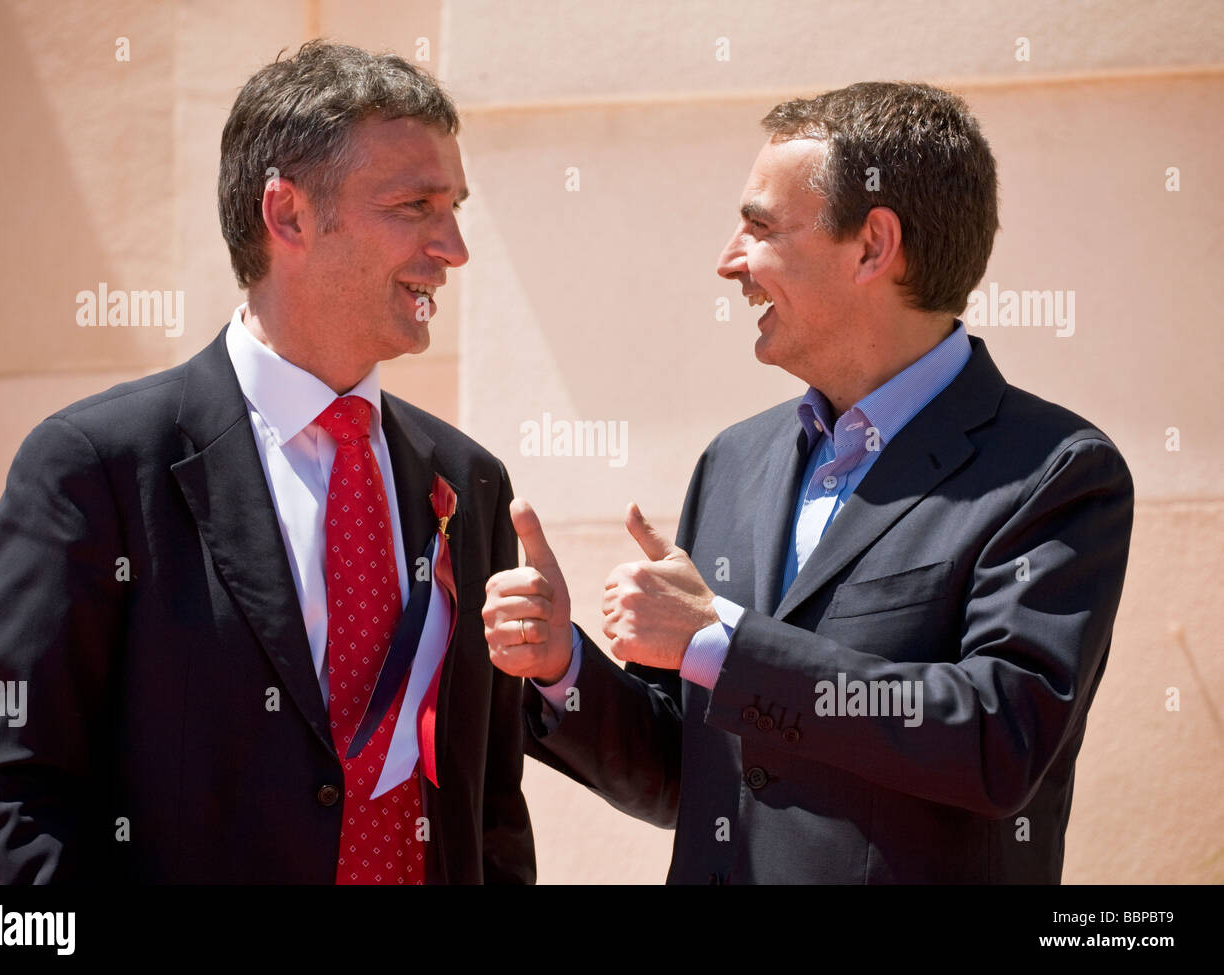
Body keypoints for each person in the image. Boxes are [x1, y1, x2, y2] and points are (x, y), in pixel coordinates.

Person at [483, 82, 1135, 883]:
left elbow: (1000, 739)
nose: (729, 261)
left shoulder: (1055, 471)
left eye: (759, 227)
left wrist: (722, 639)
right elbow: (681, 773)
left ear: (872, 247)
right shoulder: (735, 460)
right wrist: (562, 668)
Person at [0, 41, 535, 884]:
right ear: (287, 215)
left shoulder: (470, 483)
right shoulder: (96, 466)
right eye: (415, 205)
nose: (452, 247)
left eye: (454, 208)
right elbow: (19, 794)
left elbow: (487, 810)